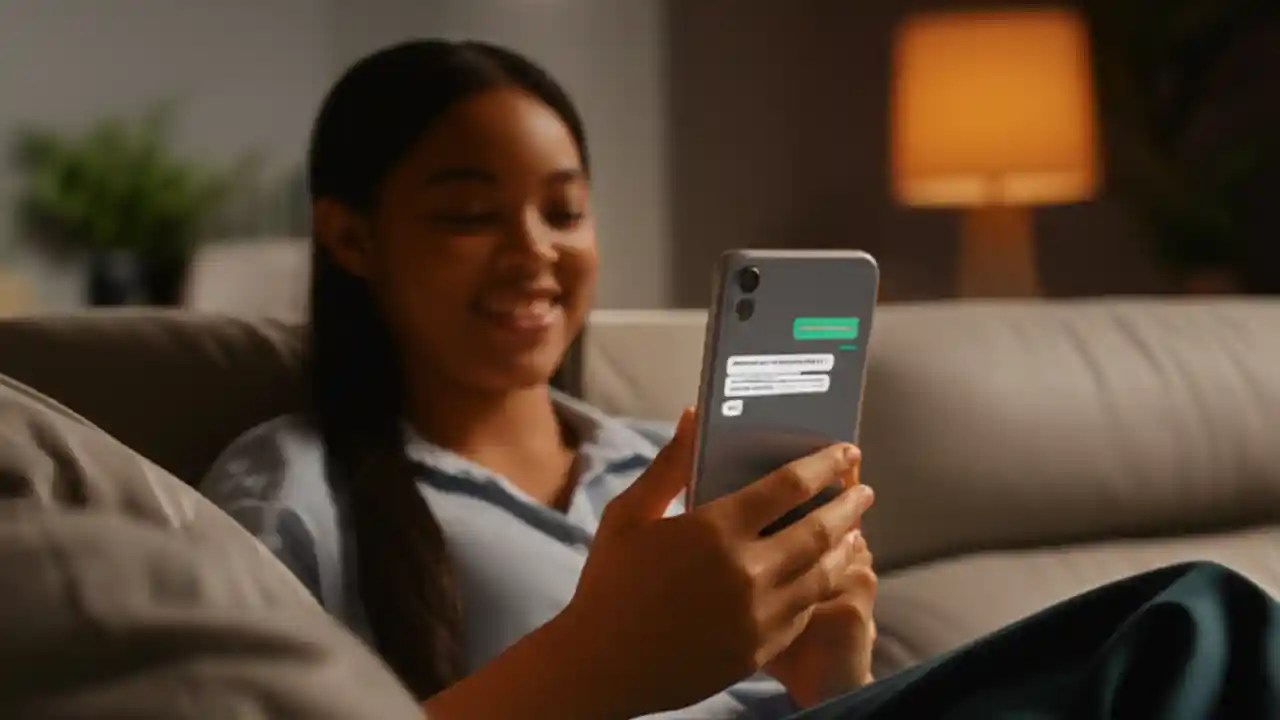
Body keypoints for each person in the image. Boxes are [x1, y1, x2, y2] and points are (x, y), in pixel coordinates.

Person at [205, 40, 1279, 720]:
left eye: (564, 209)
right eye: (467, 213)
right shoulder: (291, 492)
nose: (533, 251)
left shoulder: (659, 462)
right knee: (1192, 627)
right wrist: (594, 663)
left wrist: (834, 670)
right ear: (349, 237)